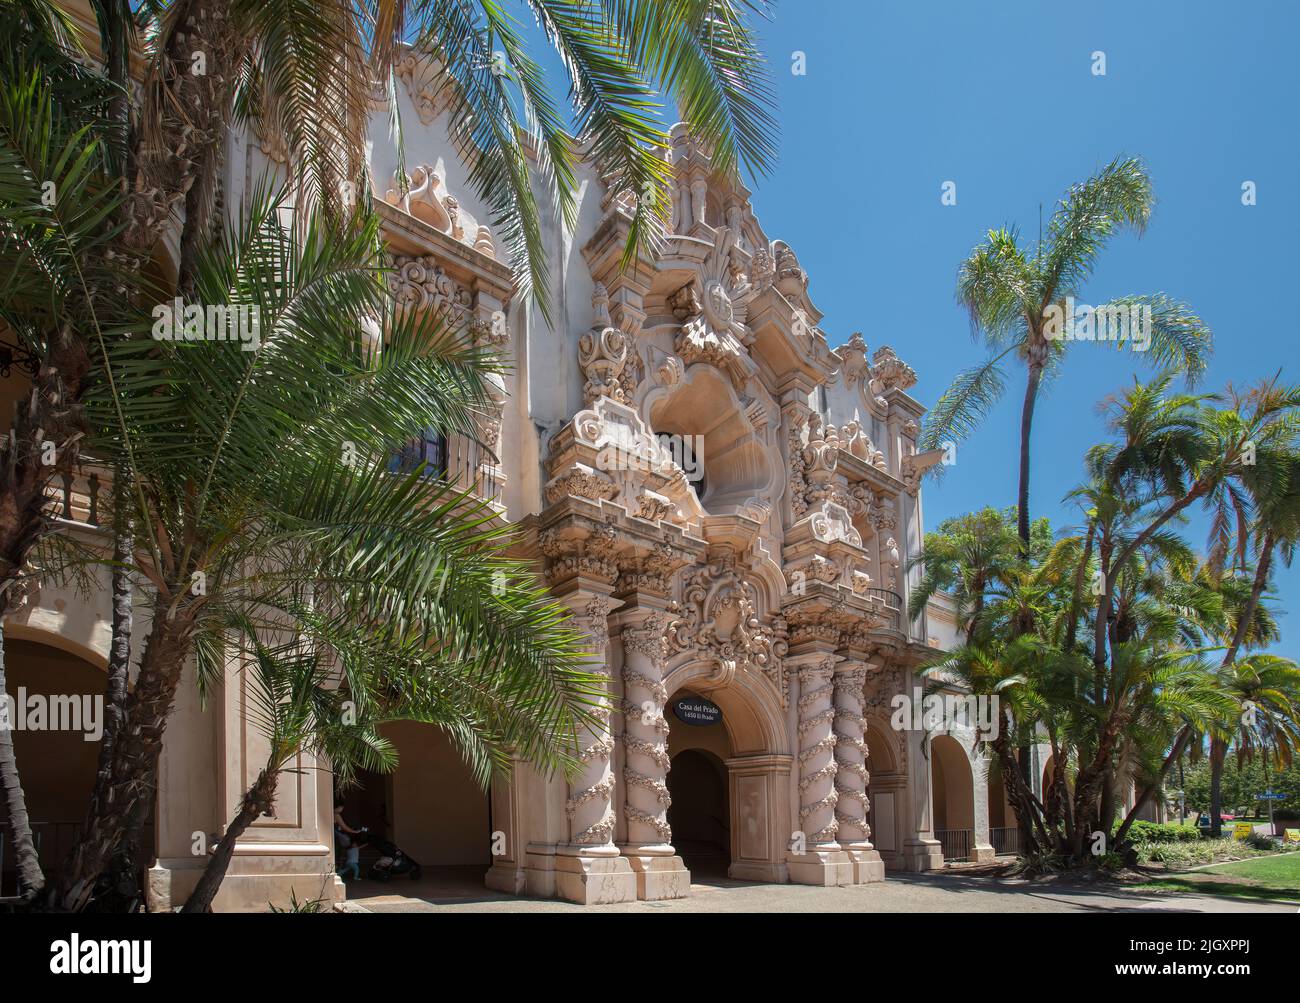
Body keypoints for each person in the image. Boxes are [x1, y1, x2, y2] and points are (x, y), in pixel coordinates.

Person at [334, 796, 367, 881]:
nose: (342, 809)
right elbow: (344, 827)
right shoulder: (336, 815)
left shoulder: (329, 813)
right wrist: (354, 832)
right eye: (342, 807)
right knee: (338, 855)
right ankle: (337, 873)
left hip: (333, 837)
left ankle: (337, 872)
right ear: (338, 807)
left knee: (342, 864)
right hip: (336, 838)